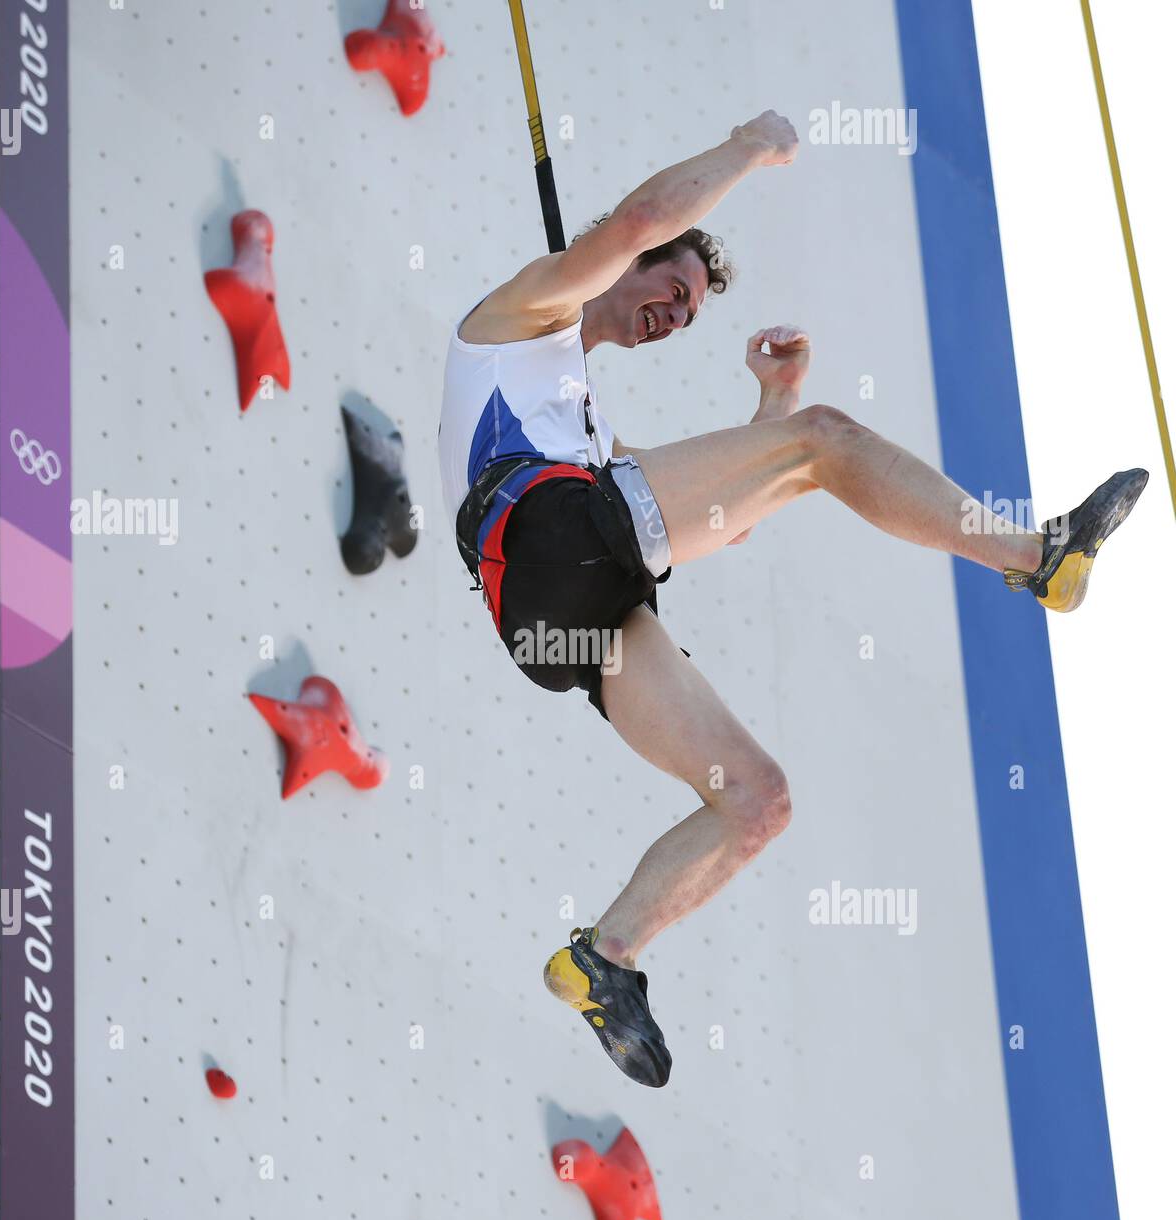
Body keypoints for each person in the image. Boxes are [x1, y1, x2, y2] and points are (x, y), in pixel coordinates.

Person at [437, 109, 1148, 1087]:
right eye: (672, 287)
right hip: (547, 541)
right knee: (825, 438)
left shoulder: (584, 428)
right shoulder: (522, 317)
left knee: (757, 803)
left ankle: (606, 955)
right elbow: (643, 213)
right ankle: (1038, 555)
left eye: (689, 312)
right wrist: (744, 149)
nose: (676, 314)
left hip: (555, 610)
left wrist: (772, 410)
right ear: (627, 259)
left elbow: (724, 514)